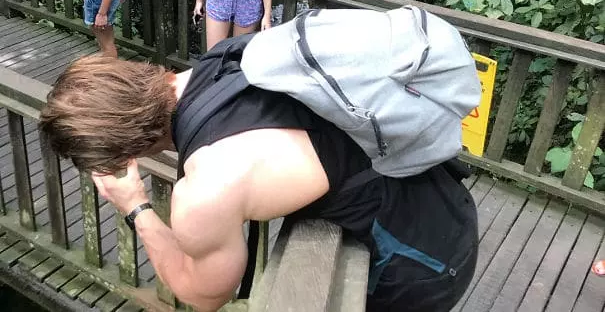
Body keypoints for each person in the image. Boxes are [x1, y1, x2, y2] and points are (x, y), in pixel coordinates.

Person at [41, 45, 479, 312]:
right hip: (444, 199)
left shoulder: (206, 188)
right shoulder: (224, 61)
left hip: (420, 264)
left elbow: (205, 294)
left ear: (124, 153)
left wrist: (134, 205)